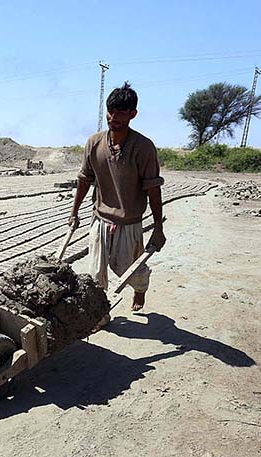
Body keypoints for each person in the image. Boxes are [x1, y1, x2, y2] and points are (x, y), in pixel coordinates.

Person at [69, 81, 166, 317]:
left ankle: (140, 288)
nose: (114, 117)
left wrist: (158, 228)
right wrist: (74, 212)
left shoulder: (143, 148)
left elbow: (153, 189)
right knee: (95, 274)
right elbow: (84, 179)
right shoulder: (94, 143)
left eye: (122, 113)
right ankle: (100, 315)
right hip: (100, 218)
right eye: (111, 111)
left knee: (128, 269)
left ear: (133, 114)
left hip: (130, 221)